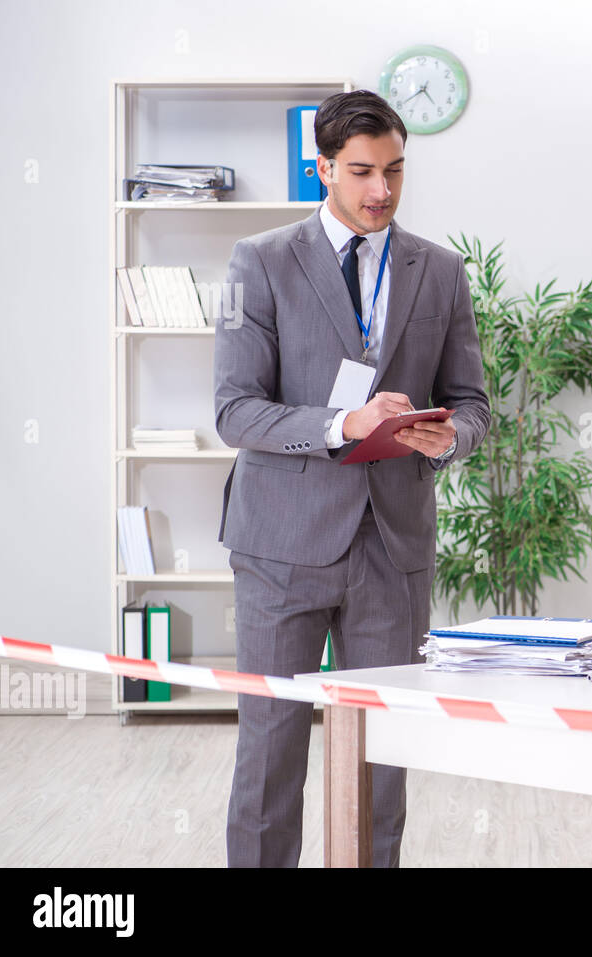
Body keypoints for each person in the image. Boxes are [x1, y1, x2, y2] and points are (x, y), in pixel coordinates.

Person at [213, 89, 490, 867]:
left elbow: (473, 404)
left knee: (381, 762)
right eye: (363, 172)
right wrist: (344, 425)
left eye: (396, 171)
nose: (383, 192)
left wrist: (444, 438)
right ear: (322, 168)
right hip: (281, 544)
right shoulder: (260, 261)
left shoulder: (439, 270)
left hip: (391, 549)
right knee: (271, 756)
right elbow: (235, 411)